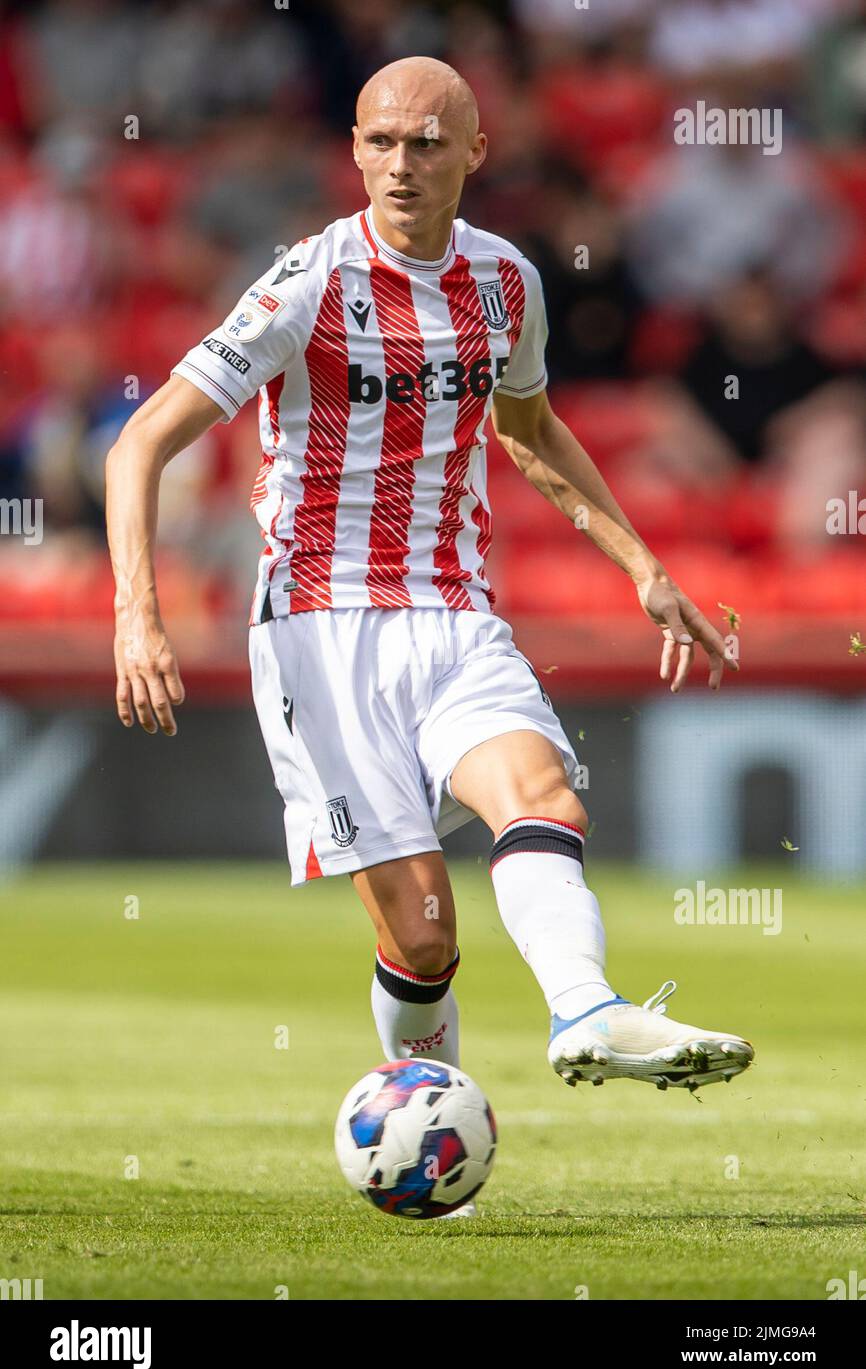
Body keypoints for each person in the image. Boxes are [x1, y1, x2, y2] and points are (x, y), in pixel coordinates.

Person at [105, 58, 754, 1124]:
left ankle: (584, 1010)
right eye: (378, 142)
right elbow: (140, 444)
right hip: (320, 626)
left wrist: (641, 566)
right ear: (353, 148)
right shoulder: (304, 283)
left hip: (453, 609)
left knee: (541, 794)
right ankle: (423, 1120)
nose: (398, 166)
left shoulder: (505, 282)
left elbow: (530, 432)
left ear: (473, 152)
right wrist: (139, 613)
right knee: (421, 935)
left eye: (424, 144)